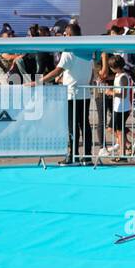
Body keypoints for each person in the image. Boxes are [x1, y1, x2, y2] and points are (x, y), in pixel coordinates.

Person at [33, 23, 94, 163]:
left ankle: (73, 156)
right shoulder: (87, 49)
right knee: (85, 124)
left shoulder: (69, 51)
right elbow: (90, 72)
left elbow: (57, 71)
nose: (64, 37)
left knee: (73, 126)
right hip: (84, 93)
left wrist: (39, 81)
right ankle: (88, 156)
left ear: (70, 35)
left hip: (72, 93)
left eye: (65, 34)